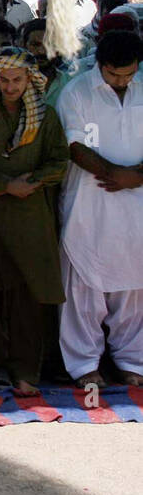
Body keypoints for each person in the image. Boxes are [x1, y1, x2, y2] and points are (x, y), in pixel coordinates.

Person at [0, 47, 68, 396]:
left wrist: (28, 185)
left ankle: (25, 372)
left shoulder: (46, 117)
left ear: (29, 79)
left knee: (28, 298)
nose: (9, 86)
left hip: (31, 218)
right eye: (3, 80)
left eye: (17, 79)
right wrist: (6, 185)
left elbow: (60, 162)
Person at [54, 30, 143, 386]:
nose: (122, 81)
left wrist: (136, 178)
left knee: (134, 287)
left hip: (137, 203)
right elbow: (74, 145)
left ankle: (133, 363)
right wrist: (114, 174)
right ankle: (84, 365)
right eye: (114, 74)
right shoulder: (76, 91)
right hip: (89, 201)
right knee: (82, 288)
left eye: (128, 74)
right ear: (100, 65)